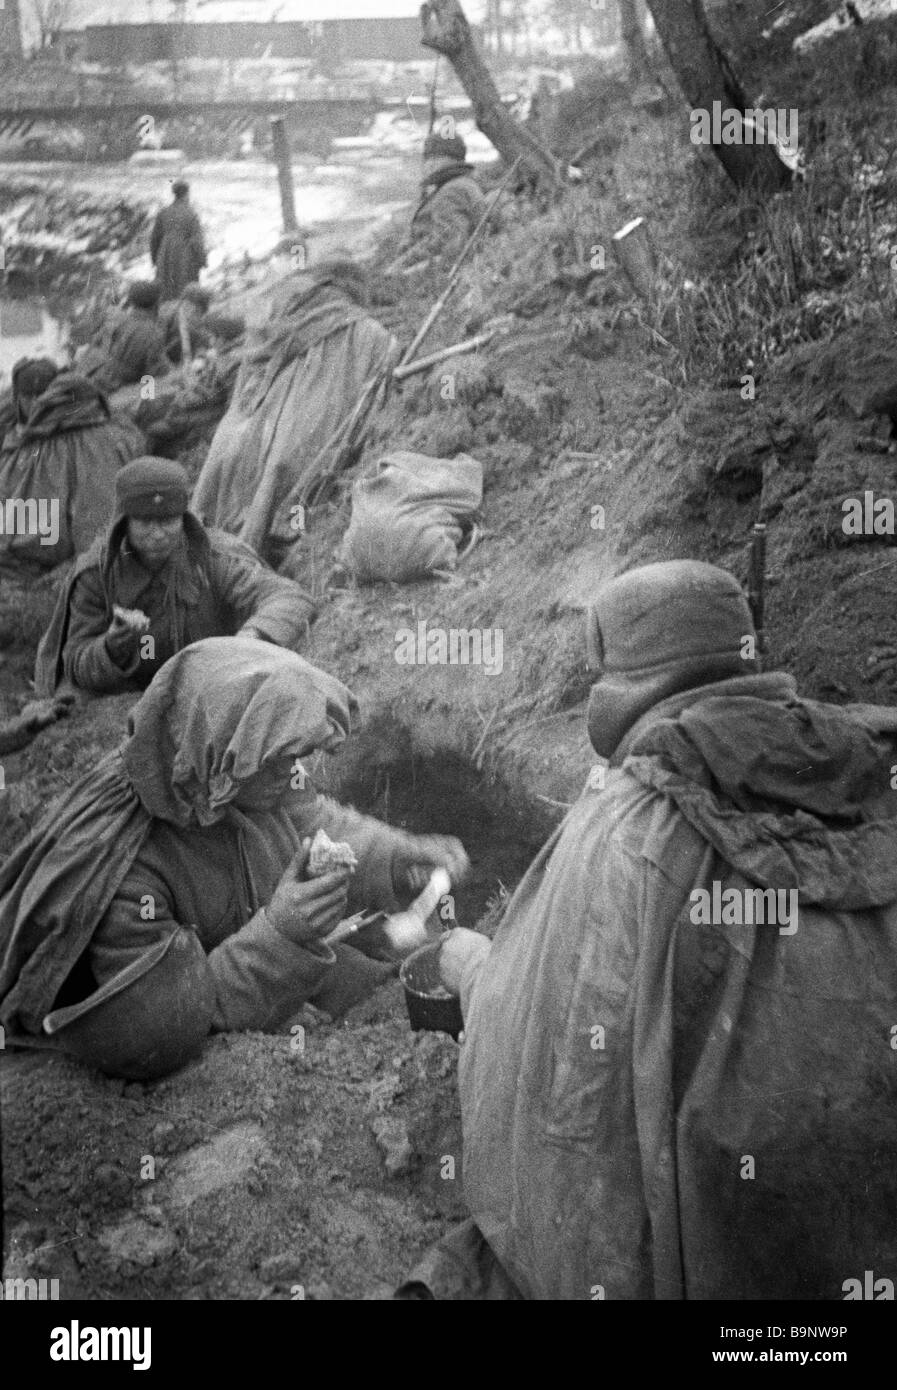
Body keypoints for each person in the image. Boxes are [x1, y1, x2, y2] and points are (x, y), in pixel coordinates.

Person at [409, 559, 897, 1300]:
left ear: (623, 677)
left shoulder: (627, 829)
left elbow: (564, 1078)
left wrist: (472, 969)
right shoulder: (870, 767)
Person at [0, 638, 469, 1080]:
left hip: (275, 973)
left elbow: (315, 820)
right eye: (284, 760)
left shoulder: (242, 776)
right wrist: (283, 933)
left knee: (388, 993)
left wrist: (396, 857)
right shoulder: (123, 871)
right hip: (214, 1017)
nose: (298, 773)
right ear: (221, 754)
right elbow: (171, 1019)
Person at [34, 456, 314, 697]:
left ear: (183, 518)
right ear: (124, 522)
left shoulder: (210, 557)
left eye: (168, 522)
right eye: (145, 523)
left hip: (209, 685)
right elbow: (76, 662)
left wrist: (250, 639)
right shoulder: (97, 576)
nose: (158, 534)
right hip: (125, 699)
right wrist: (110, 647)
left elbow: (288, 597)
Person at [191, 258, 398, 575]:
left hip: (241, 434)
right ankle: (247, 561)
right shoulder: (368, 332)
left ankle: (215, 559)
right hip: (296, 445)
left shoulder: (281, 316)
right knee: (277, 481)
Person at [0, 360, 145, 574]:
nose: (33, 403)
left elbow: (95, 512)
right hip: (40, 549)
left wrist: (87, 564)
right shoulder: (114, 428)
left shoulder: (69, 445)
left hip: (54, 557)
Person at [405, 129, 486, 265]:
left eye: (434, 157)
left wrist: (398, 271)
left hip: (432, 273)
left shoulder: (450, 192)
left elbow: (451, 246)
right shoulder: (464, 182)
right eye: (428, 158)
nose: (428, 164)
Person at [81, 281, 171, 394]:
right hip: (116, 391)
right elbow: (157, 373)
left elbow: (92, 349)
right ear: (156, 304)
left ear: (132, 302)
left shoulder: (117, 321)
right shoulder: (153, 333)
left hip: (92, 382)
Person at [150, 180, 207, 304]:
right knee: (185, 291)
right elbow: (197, 241)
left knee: (165, 290)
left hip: (165, 254)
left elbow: (154, 239)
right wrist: (203, 260)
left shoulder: (163, 212)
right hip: (185, 256)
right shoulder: (191, 213)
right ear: (186, 194)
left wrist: (155, 259)